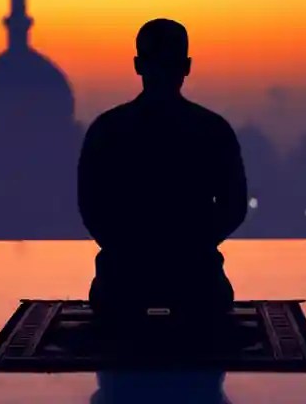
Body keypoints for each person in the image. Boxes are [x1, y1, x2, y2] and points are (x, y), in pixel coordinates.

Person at [78, 19, 248, 325]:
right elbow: (232, 209)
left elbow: (92, 210)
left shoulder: (107, 130)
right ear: (186, 66)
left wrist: (132, 247)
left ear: (138, 65)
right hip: (197, 281)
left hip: (122, 283)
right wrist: (190, 244)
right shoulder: (212, 130)